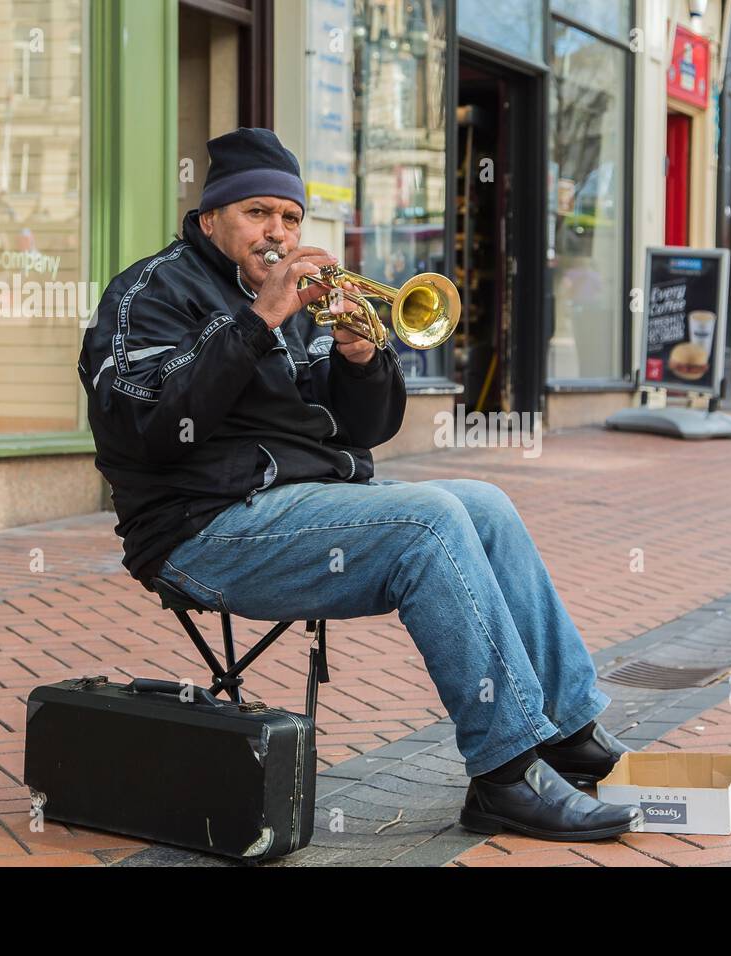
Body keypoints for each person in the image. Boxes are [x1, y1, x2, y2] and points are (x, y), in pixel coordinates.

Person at [77, 128, 643, 842]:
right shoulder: (149, 292)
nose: (276, 233)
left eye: (290, 218)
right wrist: (257, 322)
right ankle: (504, 775)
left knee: (485, 505)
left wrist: (360, 358)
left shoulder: (295, 300)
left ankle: (567, 732)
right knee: (429, 519)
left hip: (303, 505)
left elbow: (360, 432)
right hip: (200, 528)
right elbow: (145, 426)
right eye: (257, 213)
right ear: (211, 215)